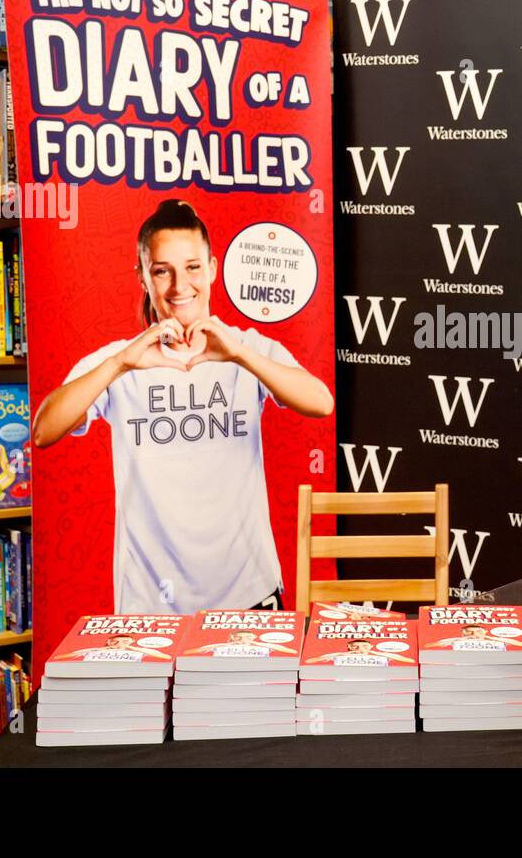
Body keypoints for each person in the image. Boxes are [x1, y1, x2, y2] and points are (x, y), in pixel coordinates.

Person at [32, 200, 333, 615]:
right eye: (162, 270)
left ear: (211, 268)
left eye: (192, 267)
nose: (179, 285)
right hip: (150, 608)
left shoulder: (247, 349)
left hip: (249, 597)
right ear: (142, 277)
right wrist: (120, 364)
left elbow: (321, 402)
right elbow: (44, 429)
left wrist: (240, 355)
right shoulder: (121, 359)